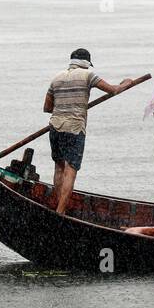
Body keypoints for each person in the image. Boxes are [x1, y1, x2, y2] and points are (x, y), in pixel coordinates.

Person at [43, 48, 133, 215]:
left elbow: (47, 108)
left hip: (55, 127)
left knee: (59, 167)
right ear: (86, 64)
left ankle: (57, 206)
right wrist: (127, 83)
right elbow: (113, 90)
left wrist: (64, 105)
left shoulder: (56, 78)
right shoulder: (88, 75)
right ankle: (61, 212)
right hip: (74, 128)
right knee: (71, 170)